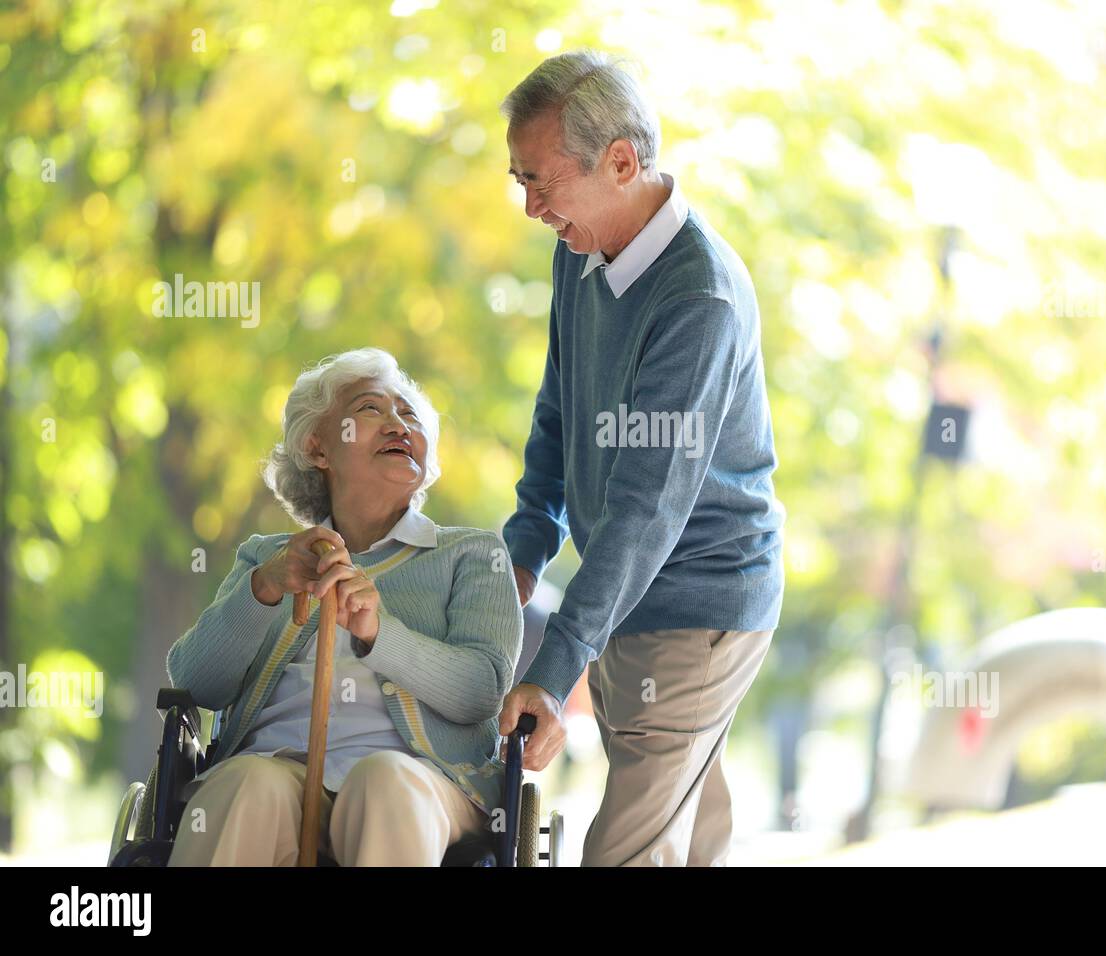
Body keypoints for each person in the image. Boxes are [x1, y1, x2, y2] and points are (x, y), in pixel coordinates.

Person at [497, 50, 785, 866]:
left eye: (542, 183)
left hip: (699, 602)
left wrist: (554, 672)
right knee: (690, 842)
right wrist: (524, 551)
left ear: (622, 161)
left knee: (626, 850)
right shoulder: (580, 250)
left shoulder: (699, 297)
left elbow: (645, 508)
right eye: (519, 180)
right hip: (632, 596)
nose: (530, 208)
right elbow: (558, 415)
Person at [165, 347, 522, 865]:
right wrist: (262, 589)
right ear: (318, 447)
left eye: (410, 415)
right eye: (372, 409)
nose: (399, 424)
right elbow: (196, 684)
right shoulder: (267, 557)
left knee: (384, 783)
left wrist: (381, 634)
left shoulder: (472, 553)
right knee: (245, 784)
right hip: (277, 765)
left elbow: (480, 694)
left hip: (424, 777)